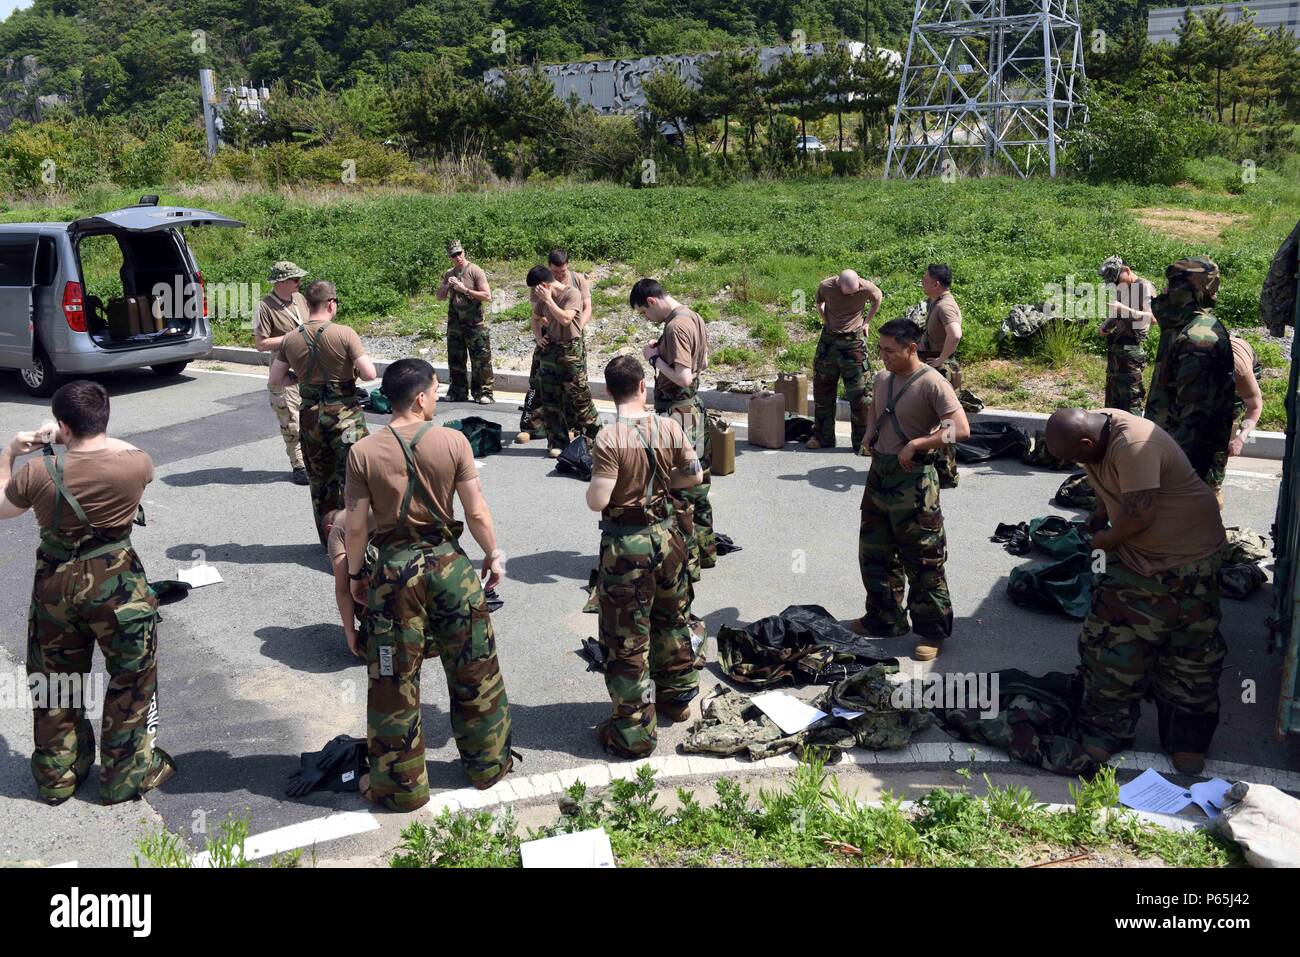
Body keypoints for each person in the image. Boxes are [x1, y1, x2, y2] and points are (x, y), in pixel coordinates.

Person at [343, 358, 513, 808]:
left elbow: (356, 527)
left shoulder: (362, 452)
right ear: (420, 397)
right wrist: (493, 554)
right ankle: (488, 765)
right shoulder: (453, 441)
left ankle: (402, 788)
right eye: (436, 390)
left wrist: (359, 574)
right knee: (474, 670)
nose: (437, 397)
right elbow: (475, 511)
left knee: (393, 680)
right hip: (449, 569)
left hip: (394, 574)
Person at [0, 380, 175, 805]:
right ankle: (123, 777)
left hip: (55, 584)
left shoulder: (38, 471)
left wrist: (10, 452)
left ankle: (58, 776)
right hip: (117, 583)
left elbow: (3, 508)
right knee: (130, 679)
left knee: (55, 680)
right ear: (104, 418)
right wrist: (75, 432)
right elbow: (117, 447)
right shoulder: (136, 464)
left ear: (62, 424)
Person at [1044, 408, 1227, 775]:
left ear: (1085, 442)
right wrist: (1100, 510)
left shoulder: (1135, 445)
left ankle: (1187, 742)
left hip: (1188, 560)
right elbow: (1107, 476)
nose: (1075, 464)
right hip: (1137, 555)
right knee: (1110, 647)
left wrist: (1102, 540)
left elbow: (1140, 516)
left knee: (1190, 653)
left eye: (1074, 457)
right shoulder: (1099, 432)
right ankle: (1105, 732)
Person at [586, 355, 703, 757]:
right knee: (672, 617)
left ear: (607, 391)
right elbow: (695, 475)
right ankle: (677, 697)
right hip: (668, 537)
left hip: (627, 546)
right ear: (642, 387)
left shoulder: (609, 437)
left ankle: (634, 733)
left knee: (627, 638)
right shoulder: (669, 426)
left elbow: (598, 499)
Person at [854, 318, 969, 661]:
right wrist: (870, 432)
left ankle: (932, 631)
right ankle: (884, 617)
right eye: (880, 349)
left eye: (890, 350)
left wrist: (919, 442)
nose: (883, 356)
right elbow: (877, 411)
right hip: (880, 476)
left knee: (923, 560)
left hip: (914, 482)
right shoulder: (882, 378)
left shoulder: (932, 383)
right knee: (875, 552)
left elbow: (960, 429)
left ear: (911, 348)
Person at [269, 280, 377, 545]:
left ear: (308, 304)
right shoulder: (344, 333)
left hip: (311, 420)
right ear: (331, 304)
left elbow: (275, 379)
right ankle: (359, 538)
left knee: (320, 481)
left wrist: (299, 380)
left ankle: (330, 540)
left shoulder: (291, 338)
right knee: (356, 479)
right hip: (346, 419)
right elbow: (369, 373)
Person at [630, 278, 716, 578]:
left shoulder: (675, 327)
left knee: (679, 491)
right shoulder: (692, 316)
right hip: (693, 410)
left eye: (643, 312)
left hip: (679, 412)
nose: (646, 319)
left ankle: (684, 562)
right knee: (700, 484)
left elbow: (683, 377)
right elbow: (701, 362)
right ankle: (705, 551)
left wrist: (654, 358)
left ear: (651, 302)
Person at [1144, 257, 1235, 494]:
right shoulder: (1181, 327)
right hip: (1168, 458)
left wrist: (1175, 480)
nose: (1165, 291)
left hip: (1183, 471)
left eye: (1173, 285)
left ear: (1190, 289)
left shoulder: (1199, 337)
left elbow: (1194, 422)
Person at [518, 250, 592, 444]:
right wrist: (539, 336)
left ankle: (585, 432)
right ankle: (537, 428)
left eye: (563, 271)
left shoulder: (574, 286)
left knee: (577, 390)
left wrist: (578, 326)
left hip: (572, 342)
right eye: (555, 271)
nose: (560, 275)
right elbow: (536, 316)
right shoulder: (541, 289)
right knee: (543, 385)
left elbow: (573, 316)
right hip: (550, 340)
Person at [526, 264, 600, 459]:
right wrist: (538, 337)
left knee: (579, 396)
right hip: (551, 350)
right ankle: (557, 442)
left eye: (536, 288)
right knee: (550, 398)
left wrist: (549, 300)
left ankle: (593, 439)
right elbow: (535, 318)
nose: (535, 293)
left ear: (543, 284)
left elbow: (566, 319)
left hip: (571, 350)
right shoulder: (543, 299)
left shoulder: (571, 294)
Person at [807, 269, 882, 452]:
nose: (853, 294)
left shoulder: (866, 287)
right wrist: (826, 321)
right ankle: (823, 437)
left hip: (854, 343)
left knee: (861, 395)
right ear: (838, 283)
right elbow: (819, 304)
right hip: (829, 343)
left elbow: (877, 299)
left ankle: (863, 442)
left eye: (855, 291)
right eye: (848, 292)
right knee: (823, 390)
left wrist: (866, 322)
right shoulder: (826, 286)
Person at [254, 261, 310, 485]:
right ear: (281, 282)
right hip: (283, 369)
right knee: (290, 418)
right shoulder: (264, 307)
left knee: (311, 416)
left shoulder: (300, 299)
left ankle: (314, 459)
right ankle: (298, 465)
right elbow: (261, 343)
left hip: (307, 366)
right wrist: (294, 336)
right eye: (295, 280)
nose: (300, 283)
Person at [919, 264, 962, 489]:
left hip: (942, 368)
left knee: (946, 422)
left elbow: (955, 334)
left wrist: (940, 360)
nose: (922, 282)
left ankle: (946, 473)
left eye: (925, 279)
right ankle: (941, 468)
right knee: (939, 421)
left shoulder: (945, 306)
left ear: (936, 284)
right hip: (936, 365)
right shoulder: (936, 302)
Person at [436, 240, 494, 404]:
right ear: (450, 257)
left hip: (474, 322)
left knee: (480, 359)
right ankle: (457, 391)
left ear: (464, 252)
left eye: (459, 253)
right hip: (455, 323)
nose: (458, 257)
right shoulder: (449, 273)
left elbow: (487, 296)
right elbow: (439, 297)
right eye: (454, 255)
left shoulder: (475, 270)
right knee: (455, 358)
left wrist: (464, 290)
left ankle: (484, 392)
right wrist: (448, 286)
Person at [1097, 256, 1157, 415]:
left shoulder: (1144, 286)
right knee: (1112, 404)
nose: (1115, 285)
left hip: (1131, 350)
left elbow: (1151, 318)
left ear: (1127, 270)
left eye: (1116, 281)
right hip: (1116, 350)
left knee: (1130, 403)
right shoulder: (1123, 289)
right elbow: (1118, 314)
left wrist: (1122, 309)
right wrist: (1106, 325)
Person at [323, 507, 376, 659]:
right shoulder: (359, 506)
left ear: (329, 528)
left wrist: (350, 632)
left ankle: (375, 636)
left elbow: (343, 590)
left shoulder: (336, 530)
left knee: (355, 582)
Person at [1227, 333, 1264, 461]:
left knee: (1229, 413)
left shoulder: (1239, 371)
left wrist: (1241, 438)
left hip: (1245, 355)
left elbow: (1254, 406)